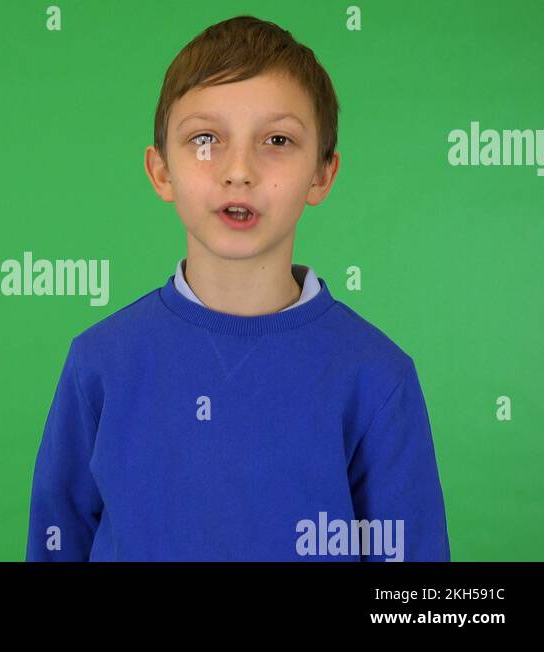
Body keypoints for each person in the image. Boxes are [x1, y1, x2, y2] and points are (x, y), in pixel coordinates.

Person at [25, 15, 449, 561]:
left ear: (322, 174)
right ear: (161, 171)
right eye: (206, 139)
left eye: (277, 139)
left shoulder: (378, 376)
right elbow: (57, 540)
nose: (239, 170)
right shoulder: (99, 362)